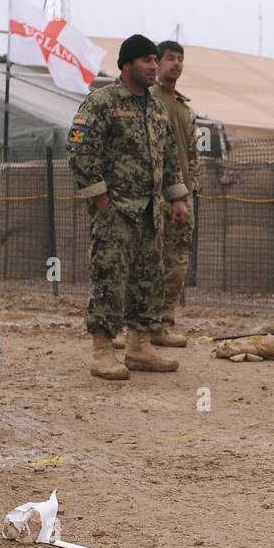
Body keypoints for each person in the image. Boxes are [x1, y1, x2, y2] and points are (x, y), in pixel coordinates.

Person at [68, 33, 190, 380]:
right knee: (110, 280)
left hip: (152, 213)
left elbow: (167, 157)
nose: (154, 66)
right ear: (126, 65)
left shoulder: (154, 108)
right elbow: (79, 151)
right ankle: (103, 350)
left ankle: (138, 347)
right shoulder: (102, 102)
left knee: (147, 281)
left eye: (156, 60)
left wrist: (176, 197)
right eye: (146, 60)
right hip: (116, 212)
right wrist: (101, 199)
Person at [149, 40, 199, 347]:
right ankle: (135, 327)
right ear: (157, 62)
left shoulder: (184, 108)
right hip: (152, 197)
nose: (176, 64)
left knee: (176, 264)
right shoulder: (147, 100)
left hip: (181, 199)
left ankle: (163, 324)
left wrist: (190, 189)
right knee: (146, 264)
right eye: (170, 58)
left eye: (180, 59)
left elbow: (191, 155)